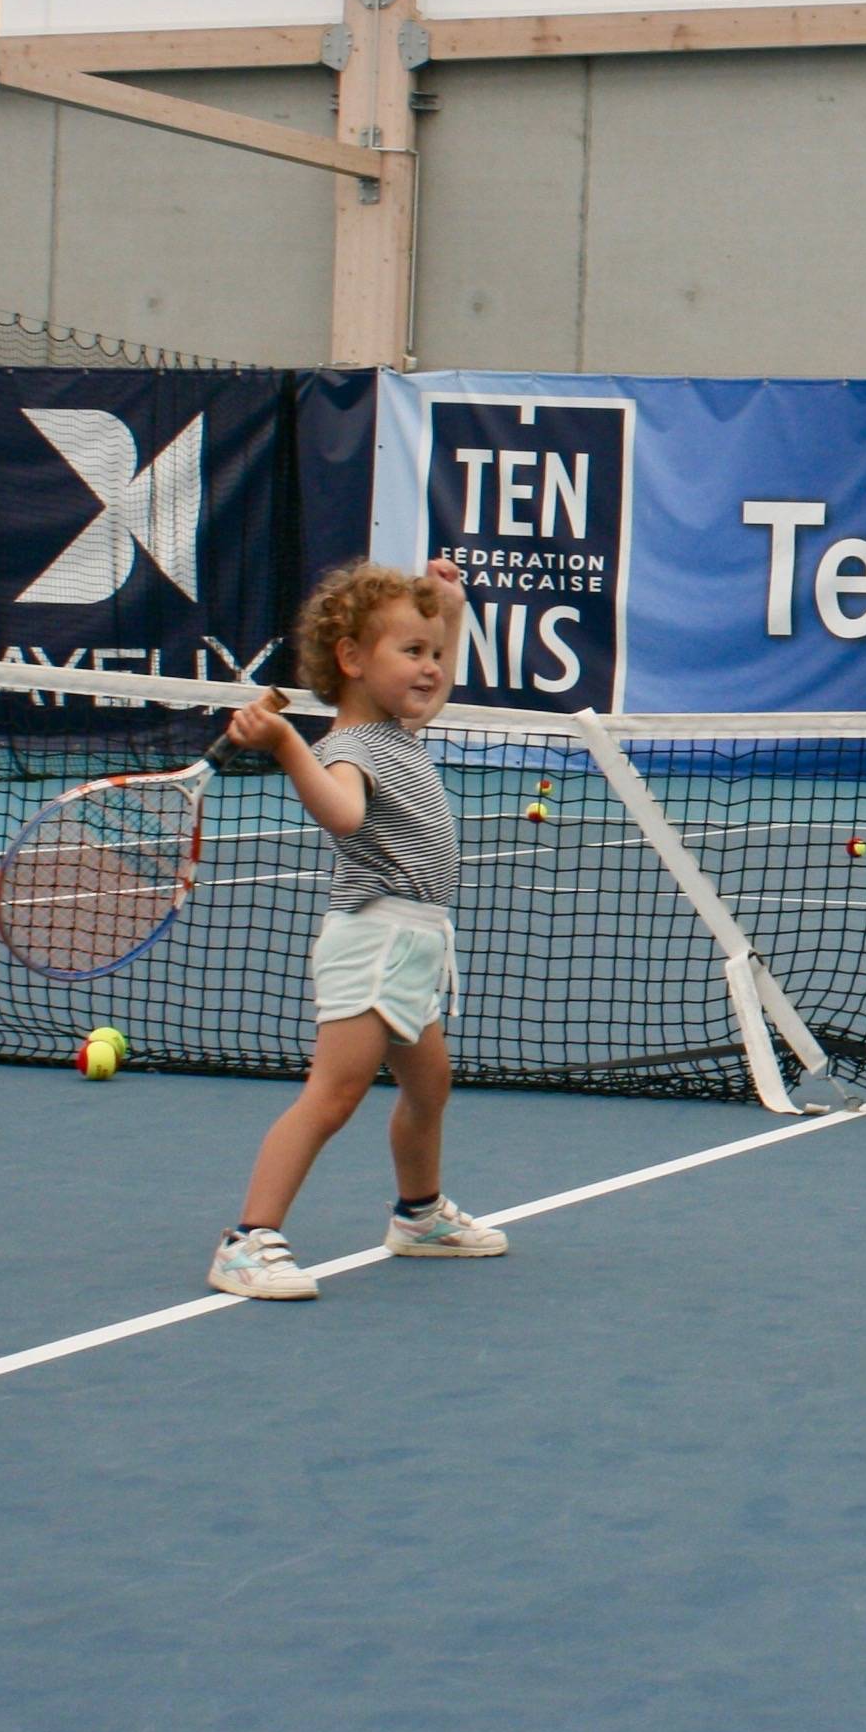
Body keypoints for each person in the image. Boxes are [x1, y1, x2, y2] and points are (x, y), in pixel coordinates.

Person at [206, 555, 509, 1300]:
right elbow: (344, 816)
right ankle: (247, 1240)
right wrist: (287, 746)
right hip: (373, 944)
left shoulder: (399, 732)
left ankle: (419, 1217)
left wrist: (450, 609)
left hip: (417, 948)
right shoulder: (347, 749)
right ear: (350, 659)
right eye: (412, 653)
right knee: (334, 1095)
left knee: (429, 1086)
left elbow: (436, 681)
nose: (432, 669)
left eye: (434, 654)